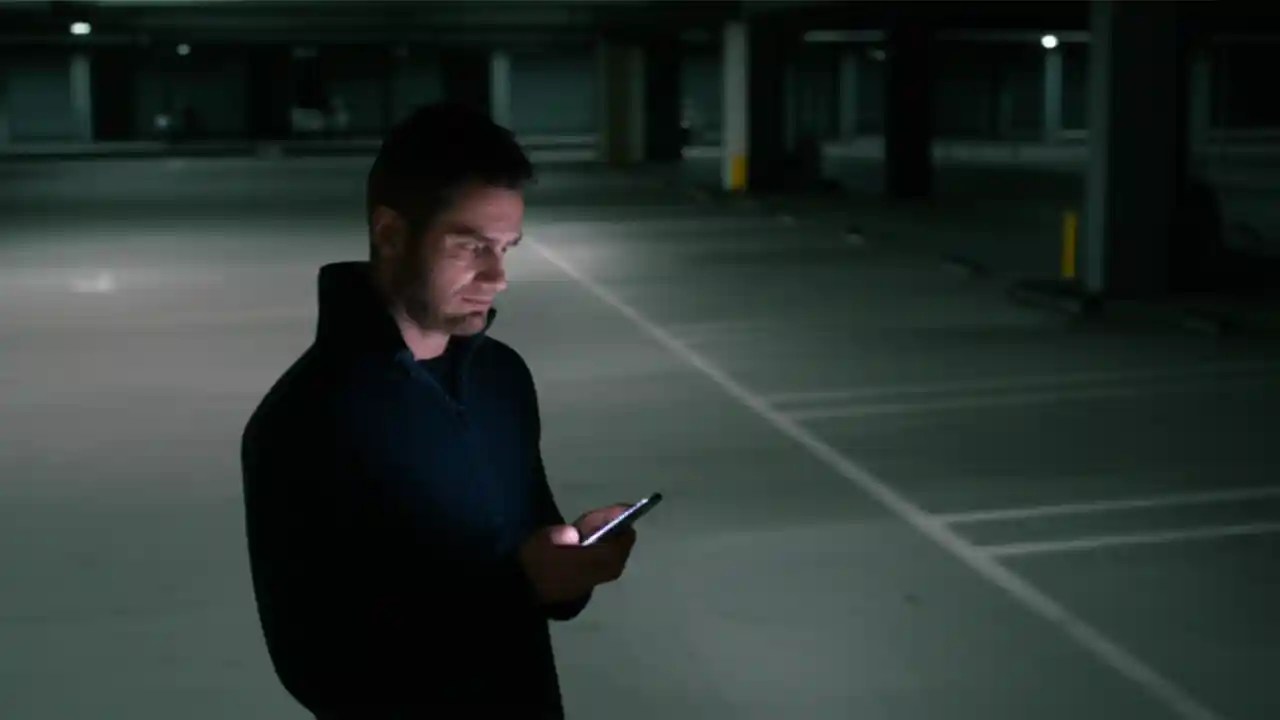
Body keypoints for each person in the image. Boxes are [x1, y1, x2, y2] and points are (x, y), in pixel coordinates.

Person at [240, 102, 638, 718]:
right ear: (391, 234)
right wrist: (519, 588)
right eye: (470, 246)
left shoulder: (503, 378)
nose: (497, 275)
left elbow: (534, 547)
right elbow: (316, 664)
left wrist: (571, 564)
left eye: (507, 247)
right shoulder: (305, 420)